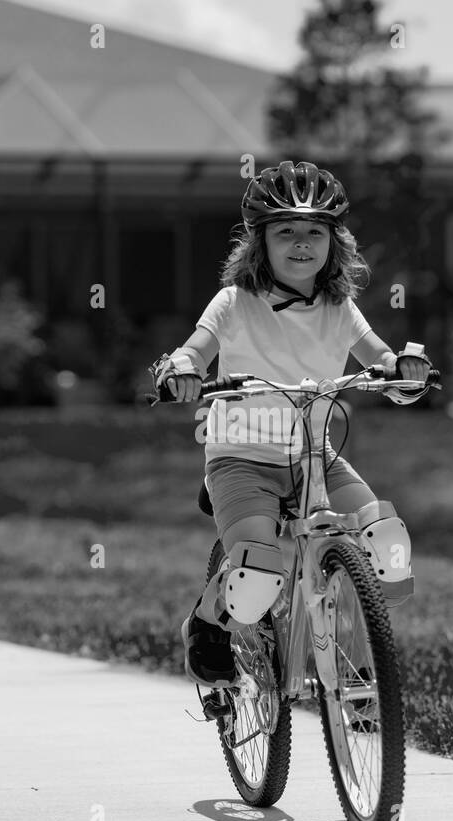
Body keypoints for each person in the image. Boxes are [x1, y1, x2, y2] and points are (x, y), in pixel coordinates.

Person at [150, 160, 433, 687]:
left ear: (335, 242)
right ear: (259, 243)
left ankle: (360, 667)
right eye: (285, 232)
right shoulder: (235, 303)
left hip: (315, 460)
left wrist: (403, 372)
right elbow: (194, 350)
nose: (301, 243)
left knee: (387, 542)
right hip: (240, 459)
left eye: (315, 232)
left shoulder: (339, 306)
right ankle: (207, 623)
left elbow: (382, 358)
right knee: (258, 576)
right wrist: (183, 370)